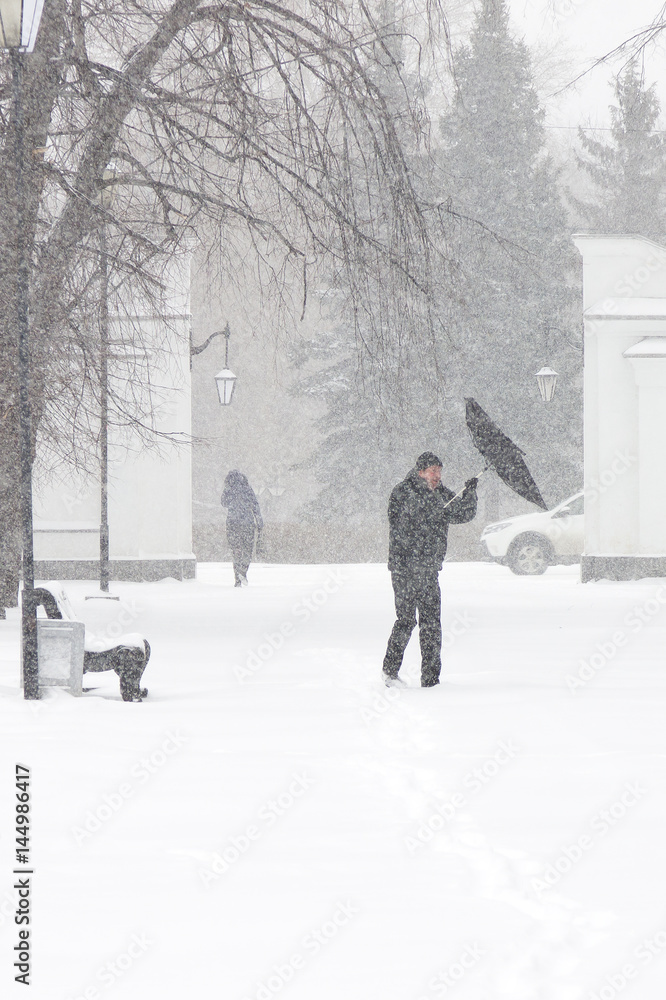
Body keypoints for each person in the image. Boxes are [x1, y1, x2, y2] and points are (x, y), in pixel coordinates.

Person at [383, 451, 478, 688]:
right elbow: (400, 522)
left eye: (439, 471)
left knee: (432, 625)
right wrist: (427, 511)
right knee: (406, 620)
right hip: (404, 568)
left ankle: (431, 680)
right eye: (432, 471)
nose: (437, 476)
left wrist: (469, 494)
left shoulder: (442, 494)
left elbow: (462, 514)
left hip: (428, 569)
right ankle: (389, 671)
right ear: (420, 472)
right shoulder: (402, 492)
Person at [221, 470, 263, 587]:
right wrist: (259, 522)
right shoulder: (247, 488)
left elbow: (223, 503)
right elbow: (255, 505)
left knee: (236, 551)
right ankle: (243, 571)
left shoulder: (229, 489)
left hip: (232, 523)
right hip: (247, 523)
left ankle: (237, 579)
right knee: (247, 550)